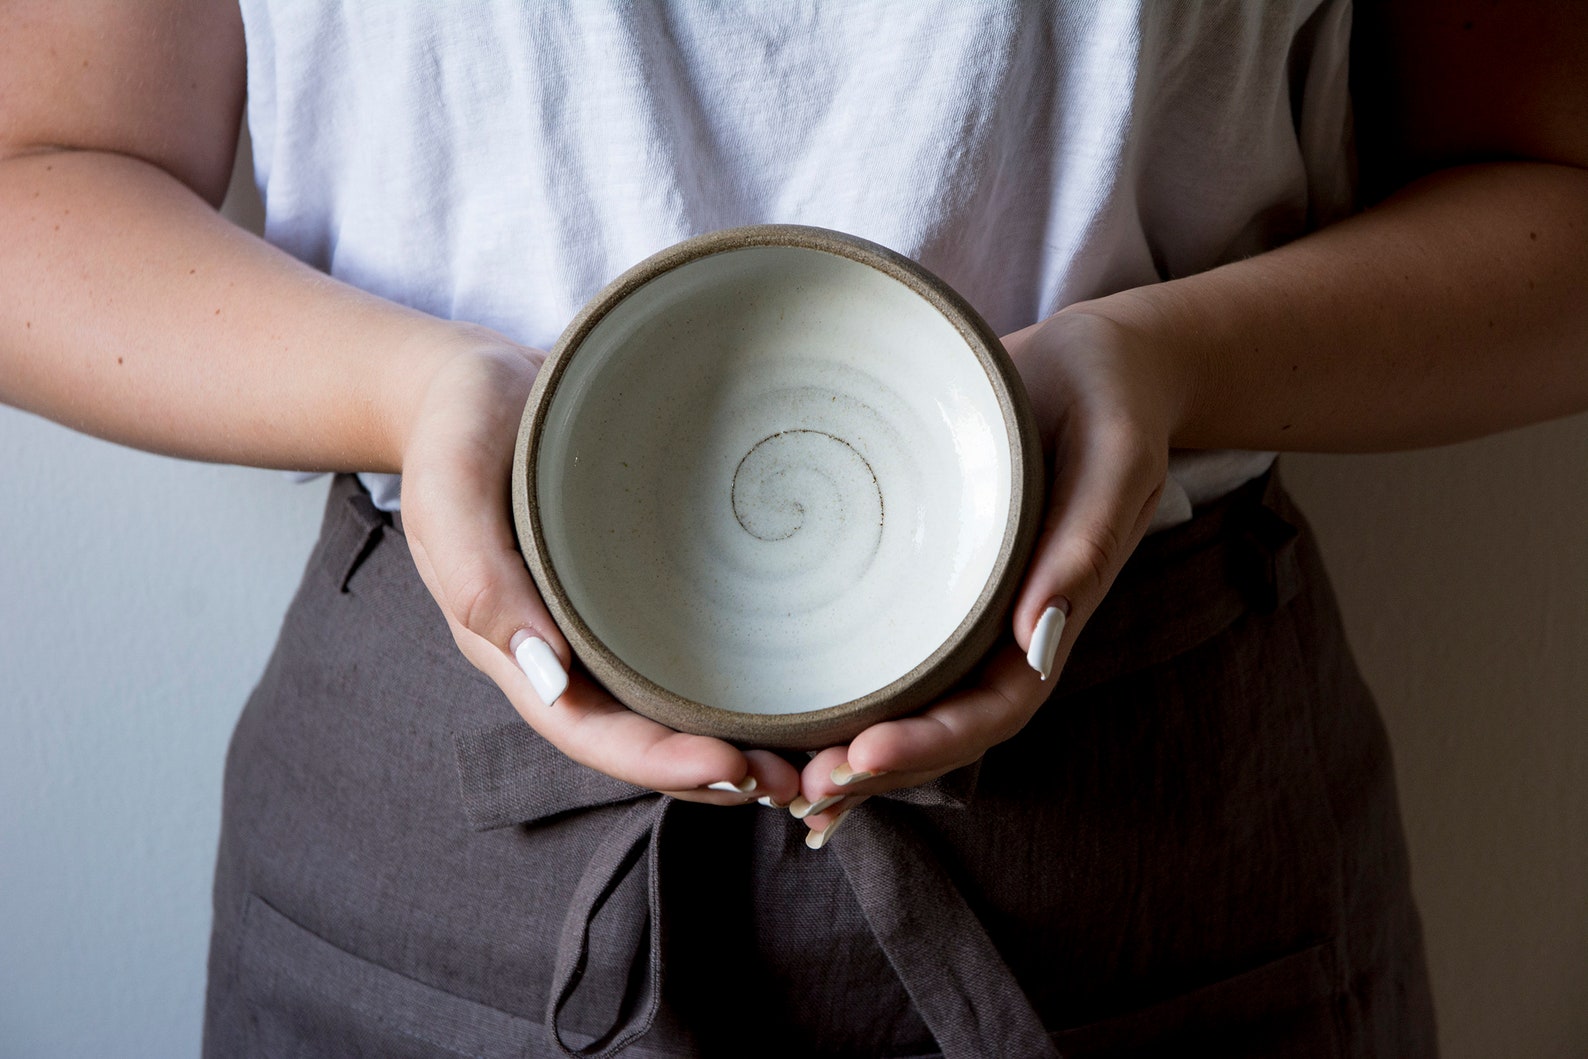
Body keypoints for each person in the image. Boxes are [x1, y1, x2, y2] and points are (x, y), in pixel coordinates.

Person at [3, 1, 1585, 1055]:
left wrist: (1169, 362)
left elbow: (1547, 178)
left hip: (1164, 870)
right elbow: (37, 166)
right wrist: (418, 395)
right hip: (438, 870)